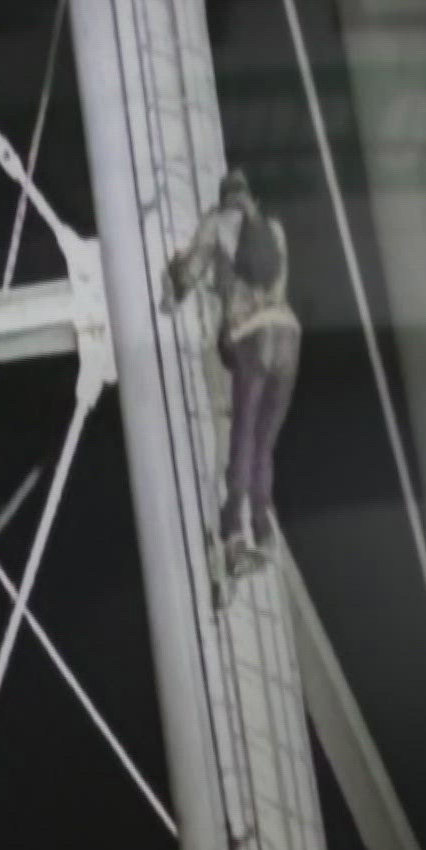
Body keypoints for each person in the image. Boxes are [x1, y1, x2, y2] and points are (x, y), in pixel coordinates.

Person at [161, 168, 301, 577]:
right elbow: (280, 283)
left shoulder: (216, 223)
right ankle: (266, 533)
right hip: (288, 335)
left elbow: (186, 276)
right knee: (264, 442)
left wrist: (175, 276)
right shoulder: (273, 229)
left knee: (242, 432)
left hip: (249, 336)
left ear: (224, 198)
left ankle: (234, 535)